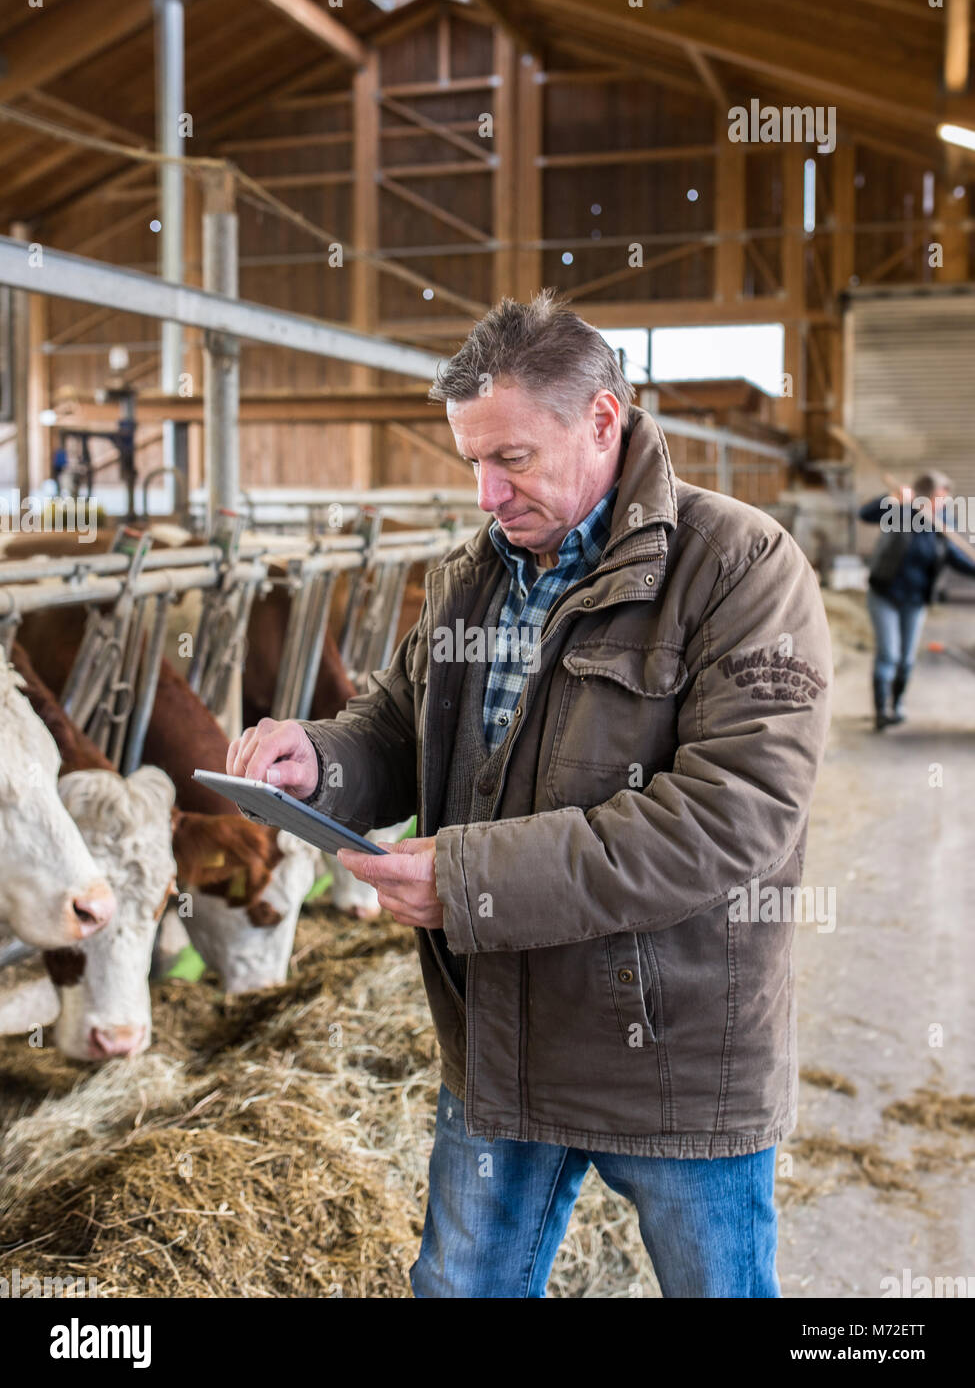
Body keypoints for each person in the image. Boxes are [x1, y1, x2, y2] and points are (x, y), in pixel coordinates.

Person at [226, 291, 832, 1299]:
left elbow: (731, 818)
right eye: (470, 459)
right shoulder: (474, 578)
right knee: (460, 1286)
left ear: (601, 420)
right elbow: (400, 726)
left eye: (510, 458)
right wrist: (318, 761)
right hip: (499, 1042)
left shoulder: (738, 569)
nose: (484, 493)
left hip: (672, 1055)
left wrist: (468, 877)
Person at [859, 472, 975, 730]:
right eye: (939, 498)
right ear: (927, 496)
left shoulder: (942, 522)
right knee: (889, 653)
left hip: (916, 600)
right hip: (885, 594)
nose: (944, 503)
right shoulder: (900, 512)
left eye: (945, 499)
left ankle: (897, 704)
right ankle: (881, 712)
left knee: (906, 659)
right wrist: (891, 498)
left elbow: (955, 556)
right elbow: (864, 515)